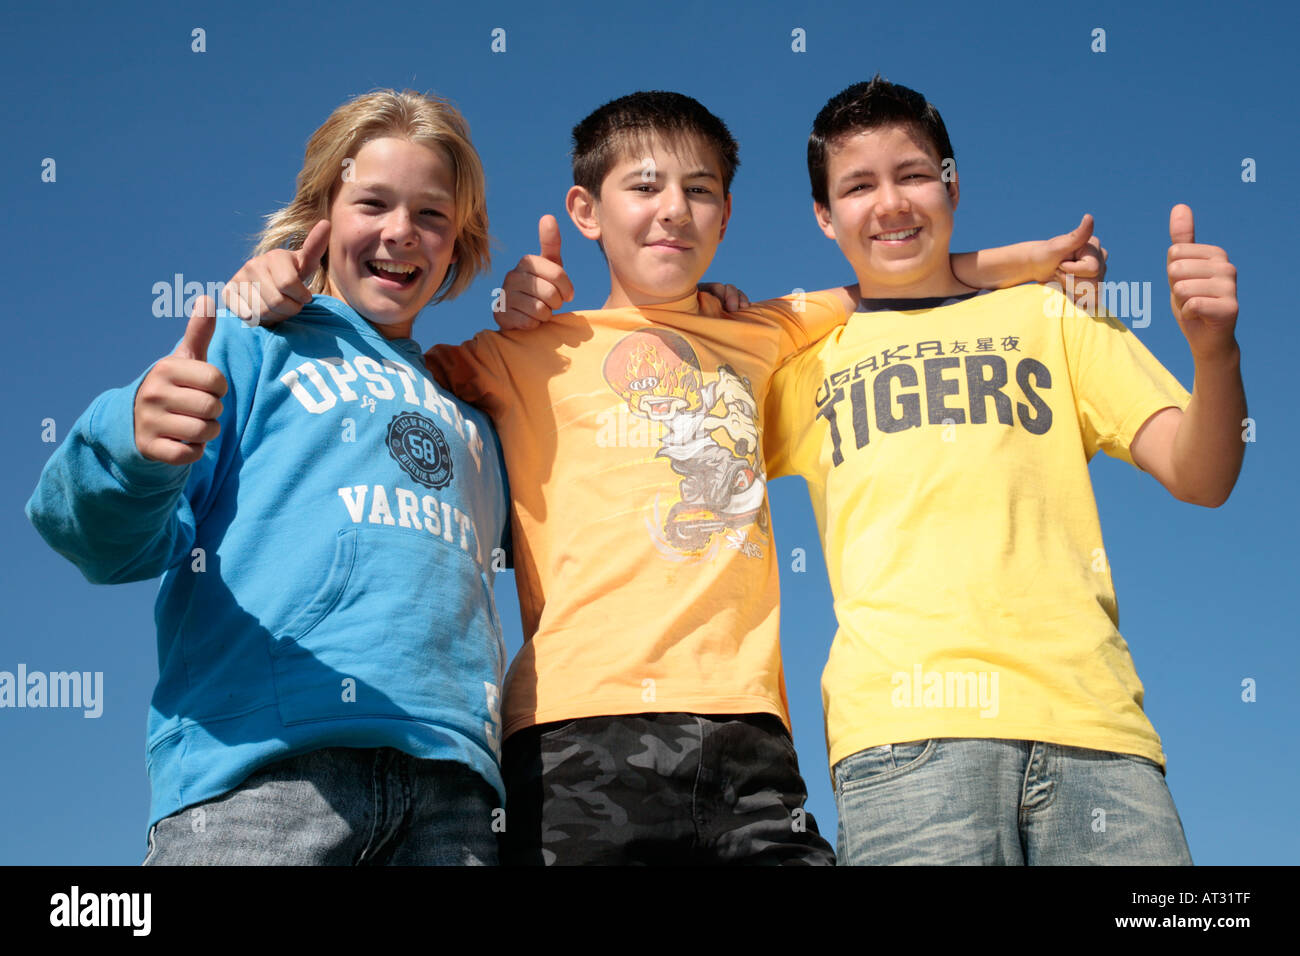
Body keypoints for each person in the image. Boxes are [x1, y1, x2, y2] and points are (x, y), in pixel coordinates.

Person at [233, 89, 1102, 865]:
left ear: (726, 216)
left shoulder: (763, 332)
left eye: (699, 191)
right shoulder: (514, 353)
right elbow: (386, 369)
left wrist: (1040, 261)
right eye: (643, 187)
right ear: (585, 209)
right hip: (574, 736)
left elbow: (894, 280)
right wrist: (286, 280)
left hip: (751, 737)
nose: (672, 212)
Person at [763, 75, 1244, 865]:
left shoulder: (1052, 314)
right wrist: (1002, 259)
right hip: (904, 743)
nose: (890, 204)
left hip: (1099, 734)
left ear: (952, 182)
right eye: (857, 186)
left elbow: (1203, 476)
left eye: (914, 174)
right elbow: (701, 336)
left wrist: (1215, 351)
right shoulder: (804, 358)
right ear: (824, 216)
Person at [26, 89, 510, 865]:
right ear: (320, 212)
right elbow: (96, 542)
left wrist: (548, 343)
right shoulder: (251, 346)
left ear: (461, 244)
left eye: (431, 215)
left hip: (454, 797)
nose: (399, 233)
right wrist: (132, 441)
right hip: (260, 777)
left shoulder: (477, 414)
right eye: (373, 203)